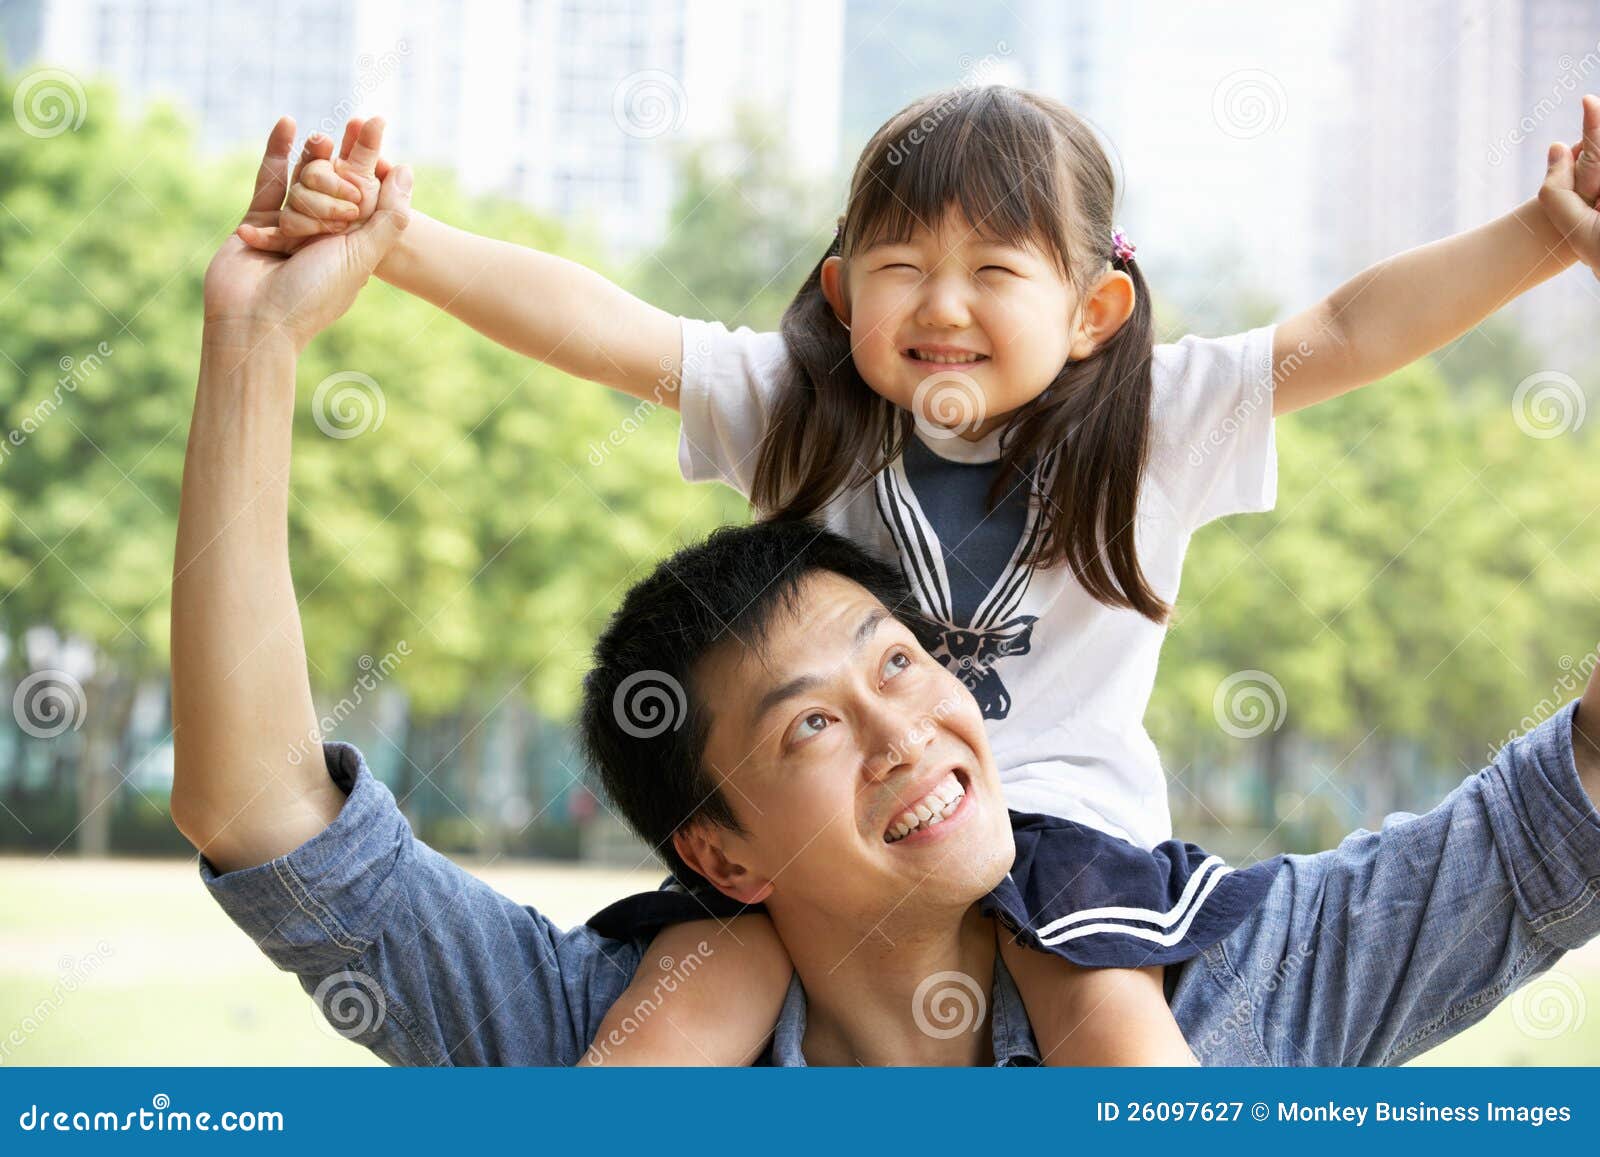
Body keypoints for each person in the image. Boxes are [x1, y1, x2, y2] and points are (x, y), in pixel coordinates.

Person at [174, 119, 1600, 1067]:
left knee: (1111, 1018)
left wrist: (1547, 233)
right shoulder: (803, 412)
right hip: (762, 922)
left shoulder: (1156, 418)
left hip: (1085, 843)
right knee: (693, 997)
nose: (943, 305)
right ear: (844, 291)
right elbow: (610, 331)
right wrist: (397, 247)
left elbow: (1346, 327)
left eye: (899, 661)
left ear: (1094, 307)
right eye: (902, 270)